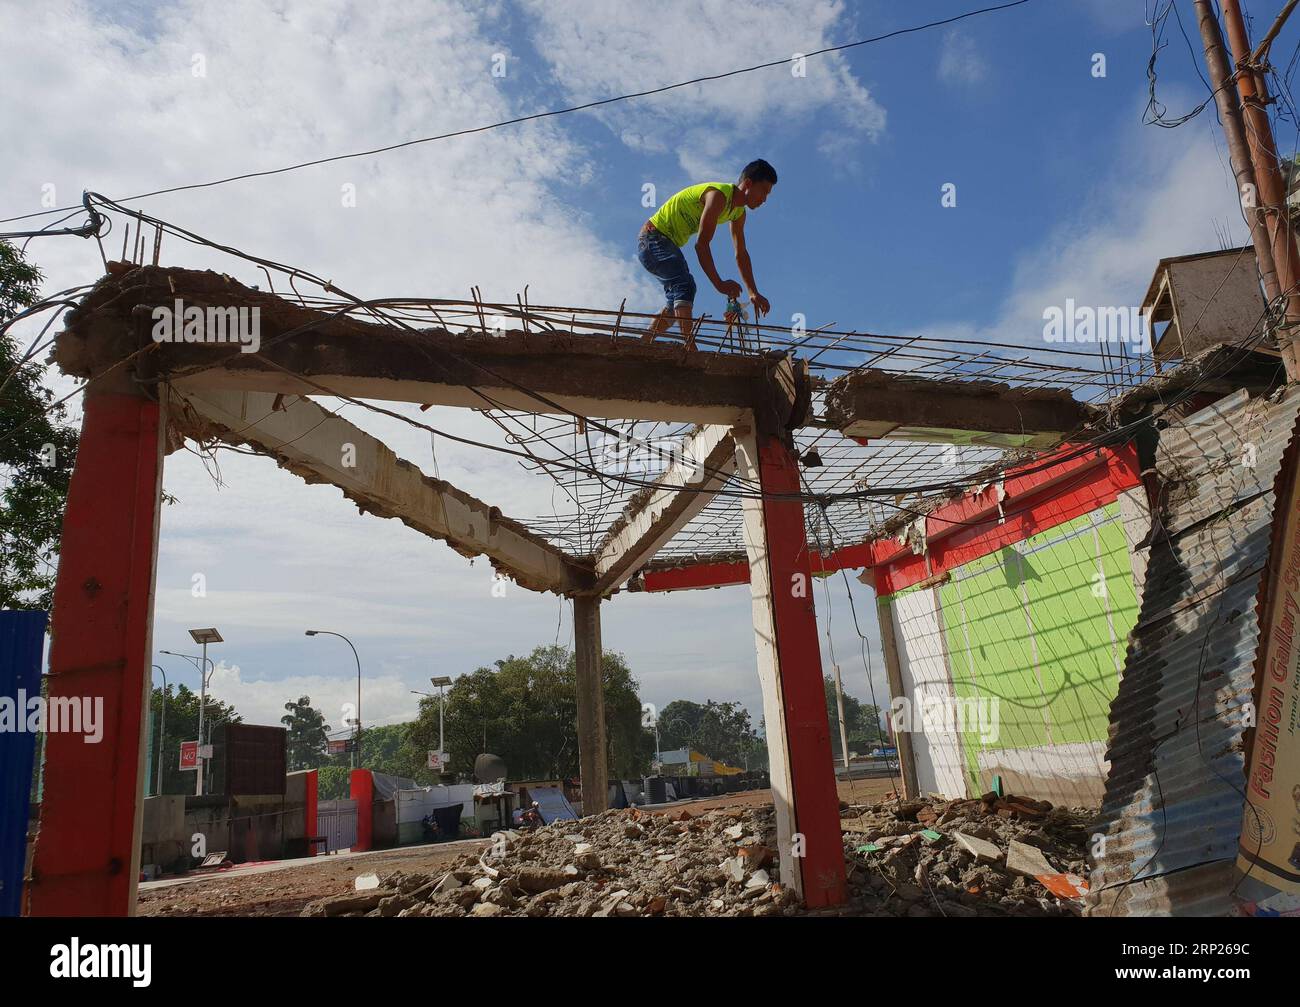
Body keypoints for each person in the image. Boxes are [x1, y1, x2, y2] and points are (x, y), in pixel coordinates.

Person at [637, 159, 777, 346]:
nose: (764, 200)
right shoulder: (717, 196)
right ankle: (689, 346)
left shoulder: (738, 213)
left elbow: (741, 253)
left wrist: (753, 292)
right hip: (653, 238)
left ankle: (643, 342)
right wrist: (718, 283)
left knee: (675, 304)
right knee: (684, 285)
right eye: (764, 192)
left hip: (665, 242)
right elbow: (701, 245)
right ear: (749, 184)